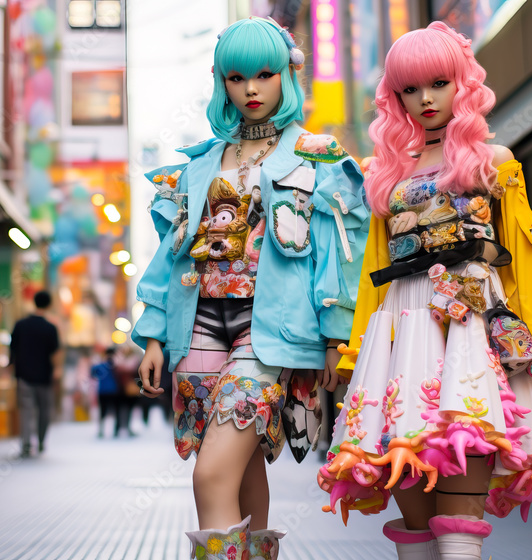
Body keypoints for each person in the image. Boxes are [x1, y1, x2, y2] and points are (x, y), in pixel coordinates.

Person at [320, 22, 532, 560]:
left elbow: (525, 260)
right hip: (399, 332)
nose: (425, 100)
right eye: (410, 90)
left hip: (471, 329)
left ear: (461, 83)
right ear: (395, 98)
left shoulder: (495, 162)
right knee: (410, 494)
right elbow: (372, 273)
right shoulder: (383, 175)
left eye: (438, 83)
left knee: (461, 504)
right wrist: (354, 353)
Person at [133, 17, 368, 560]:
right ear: (222, 83)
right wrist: (150, 334)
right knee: (241, 473)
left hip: (271, 330)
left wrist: (337, 336)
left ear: (289, 72)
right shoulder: (200, 163)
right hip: (198, 324)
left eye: (265, 73)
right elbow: (171, 255)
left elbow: (337, 254)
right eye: (236, 78)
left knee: (210, 474)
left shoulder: (317, 155)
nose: (252, 89)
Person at [9, 290, 61, 458]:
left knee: (26, 410)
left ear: (34, 303)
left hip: (24, 375)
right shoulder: (50, 328)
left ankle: (25, 444)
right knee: (44, 410)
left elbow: (12, 349)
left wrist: (11, 366)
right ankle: (40, 441)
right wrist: (57, 370)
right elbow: (55, 353)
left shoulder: (20, 325)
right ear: (49, 305)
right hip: (44, 376)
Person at [91, 347, 125, 438]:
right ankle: (114, 431)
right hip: (112, 391)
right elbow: (93, 373)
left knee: (104, 412)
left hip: (106, 391)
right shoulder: (111, 365)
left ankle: (104, 430)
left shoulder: (110, 365)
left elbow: (92, 373)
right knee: (112, 411)